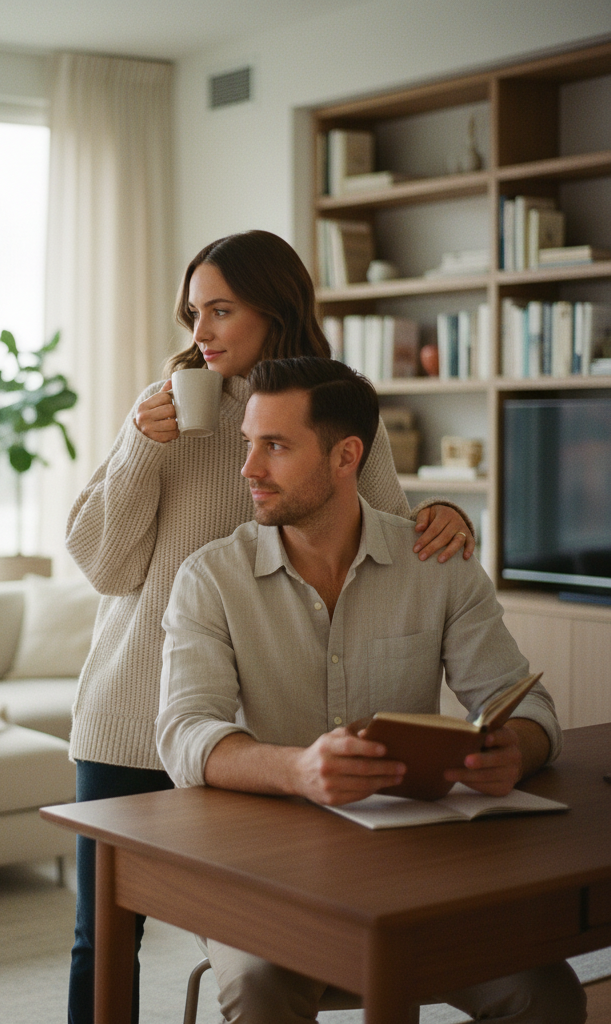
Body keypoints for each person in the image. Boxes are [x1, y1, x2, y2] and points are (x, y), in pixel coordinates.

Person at [64, 230, 477, 1024]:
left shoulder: (334, 405)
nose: (200, 332)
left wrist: (447, 519)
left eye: (221, 310)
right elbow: (104, 567)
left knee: (267, 924)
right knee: (104, 938)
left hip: (243, 736)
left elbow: (383, 539)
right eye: (193, 312)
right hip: (126, 719)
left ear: (275, 308)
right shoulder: (166, 409)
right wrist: (137, 447)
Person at [155, 357, 585, 1024]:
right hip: (267, 874)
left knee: (546, 993)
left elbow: (524, 704)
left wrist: (515, 750)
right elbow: (186, 733)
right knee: (262, 987)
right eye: (250, 443)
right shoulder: (209, 578)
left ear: (345, 456)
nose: (250, 469)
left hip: (418, 867)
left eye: (275, 446)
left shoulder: (438, 564)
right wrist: (299, 769)